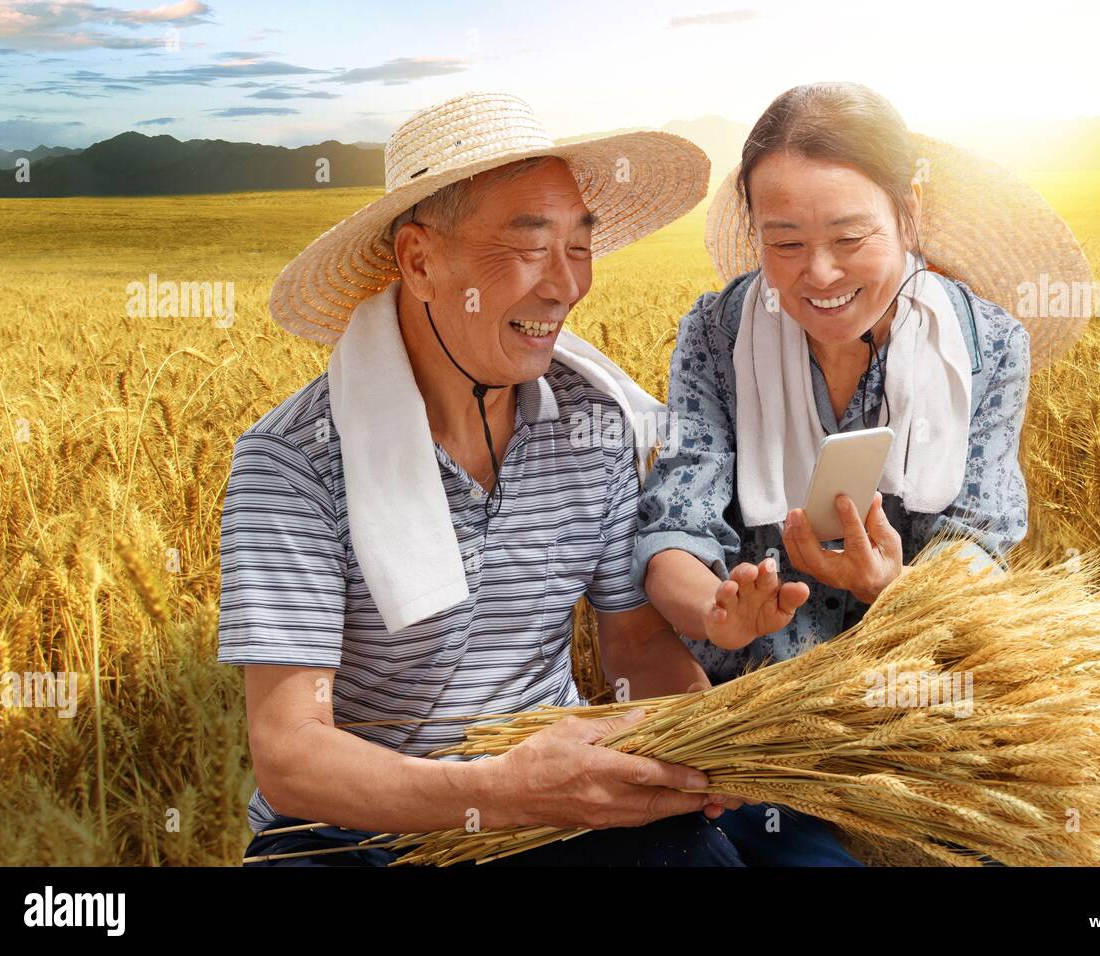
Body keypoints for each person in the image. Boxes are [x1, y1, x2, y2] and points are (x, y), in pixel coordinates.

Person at [218, 91, 755, 866]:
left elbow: (634, 636)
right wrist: (501, 792)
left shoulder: (593, 422)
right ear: (421, 260)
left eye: (580, 246)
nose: (566, 286)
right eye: (530, 245)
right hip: (356, 833)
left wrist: (708, 741)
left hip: (562, 811)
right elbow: (291, 751)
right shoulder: (292, 461)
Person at [631, 82, 1091, 863]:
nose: (819, 275)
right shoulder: (717, 334)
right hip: (760, 710)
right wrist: (718, 609)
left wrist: (896, 588)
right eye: (785, 243)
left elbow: (979, 536)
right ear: (753, 230)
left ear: (908, 209)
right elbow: (674, 523)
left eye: (851, 238)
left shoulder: (986, 347)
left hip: (920, 694)